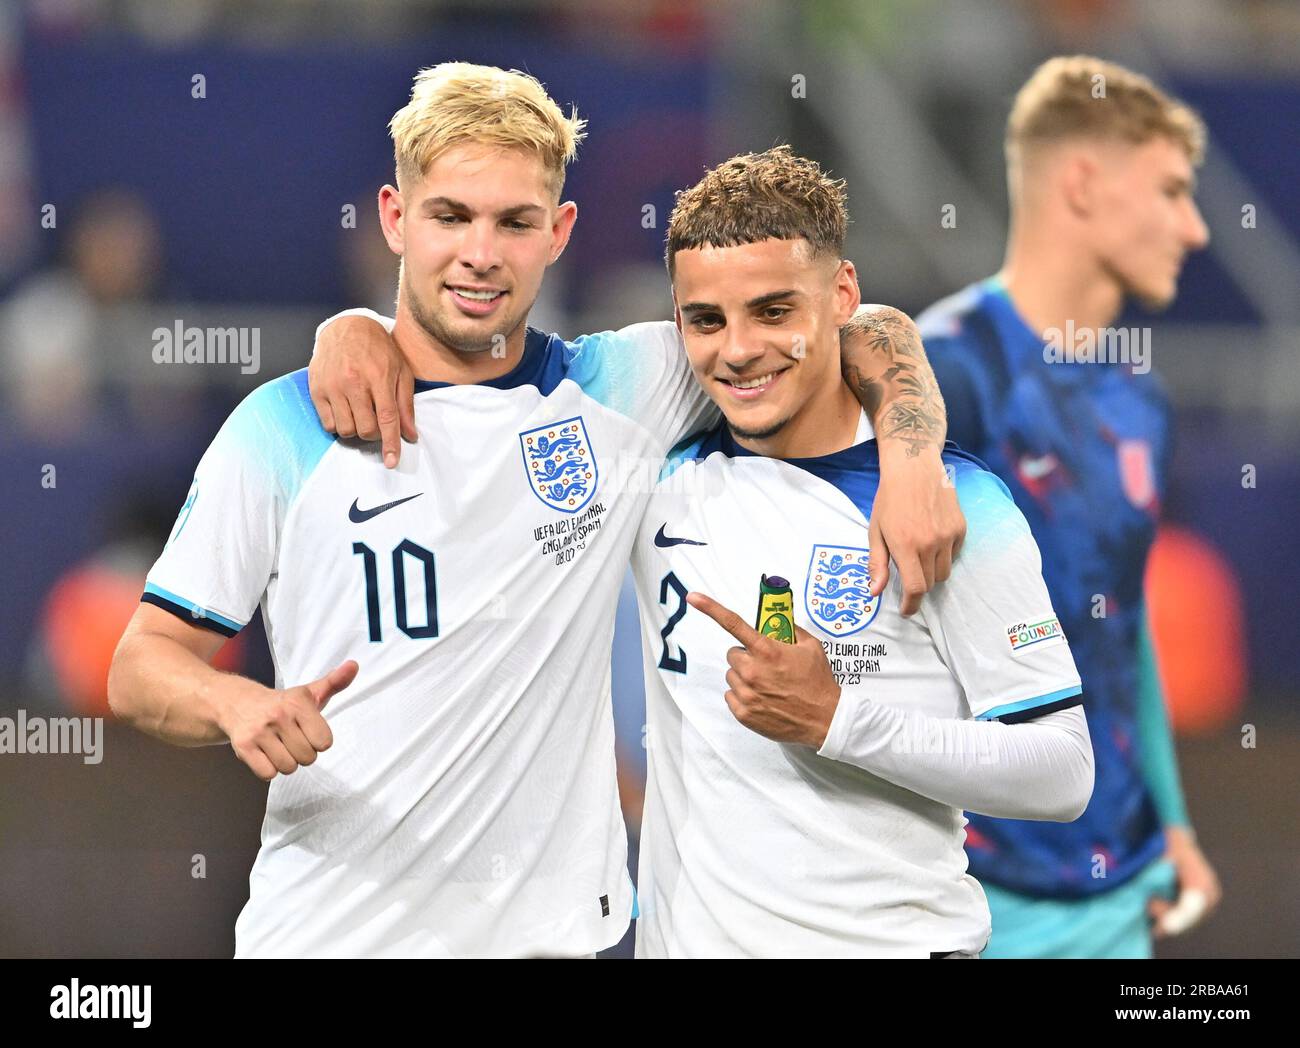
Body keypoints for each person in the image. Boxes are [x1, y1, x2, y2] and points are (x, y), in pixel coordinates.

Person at [107, 63, 961, 958]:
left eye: (514, 222)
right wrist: (234, 704)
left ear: (558, 232)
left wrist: (908, 459)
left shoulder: (627, 389)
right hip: (327, 937)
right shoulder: (284, 426)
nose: (482, 252)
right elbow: (141, 668)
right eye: (451, 216)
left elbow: (864, 326)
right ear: (397, 218)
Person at [627, 146, 1092, 957]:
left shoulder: (947, 508)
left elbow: (1061, 772)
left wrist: (839, 720)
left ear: (841, 294)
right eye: (707, 320)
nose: (737, 350)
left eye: (775, 312)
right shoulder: (654, 469)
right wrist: (356, 332)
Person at [916, 55, 1221, 958]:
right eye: (1171, 191)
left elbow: (1123, 629)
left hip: (1121, 890)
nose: (1197, 229)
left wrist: (1174, 826)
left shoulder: (1143, 401)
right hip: (968, 895)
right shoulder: (944, 374)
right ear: (1083, 183)